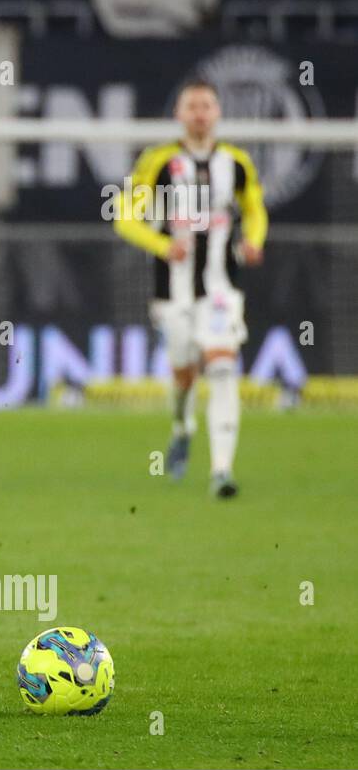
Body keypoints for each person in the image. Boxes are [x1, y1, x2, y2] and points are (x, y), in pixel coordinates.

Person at [115, 80, 267, 497]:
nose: (200, 112)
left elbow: (255, 209)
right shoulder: (159, 160)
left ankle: (221, 470)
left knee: (221, 367)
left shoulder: (236, 162)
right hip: (173, 293)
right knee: (184, 377)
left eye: (207, 105)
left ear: (217, 113)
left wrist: (254, 240)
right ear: (179, 114)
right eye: (192, 106)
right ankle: (183, 428)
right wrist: (163, 245)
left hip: (221, 288)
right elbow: (125, 217)